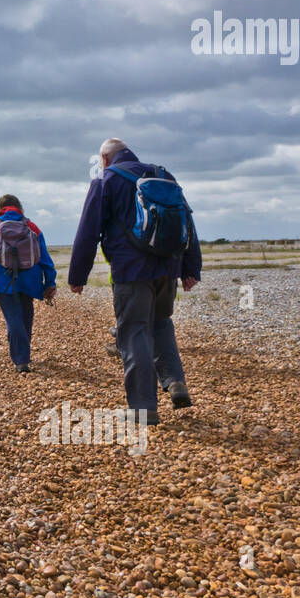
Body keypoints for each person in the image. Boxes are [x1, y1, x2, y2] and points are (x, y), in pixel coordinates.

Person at [67, 139, 201, 423]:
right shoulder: (164, 176)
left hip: (131, 270)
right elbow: (188, 223)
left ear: (105, 157)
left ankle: (144, 408)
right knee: (162, 322)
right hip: (169, 268)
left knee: (135, 331)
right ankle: (175, 381)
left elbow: (88, 231)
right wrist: (191, 268)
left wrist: (78, 275)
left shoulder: (106, 179)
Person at [0, 194, 57, 373]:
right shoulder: (32, 228)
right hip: (29, 280)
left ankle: (21, 359)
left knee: (13, 318)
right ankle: (23, 354)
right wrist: (50, 281)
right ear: (19, 207)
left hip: (1, 281)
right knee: (26, 316)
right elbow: (44, 257)